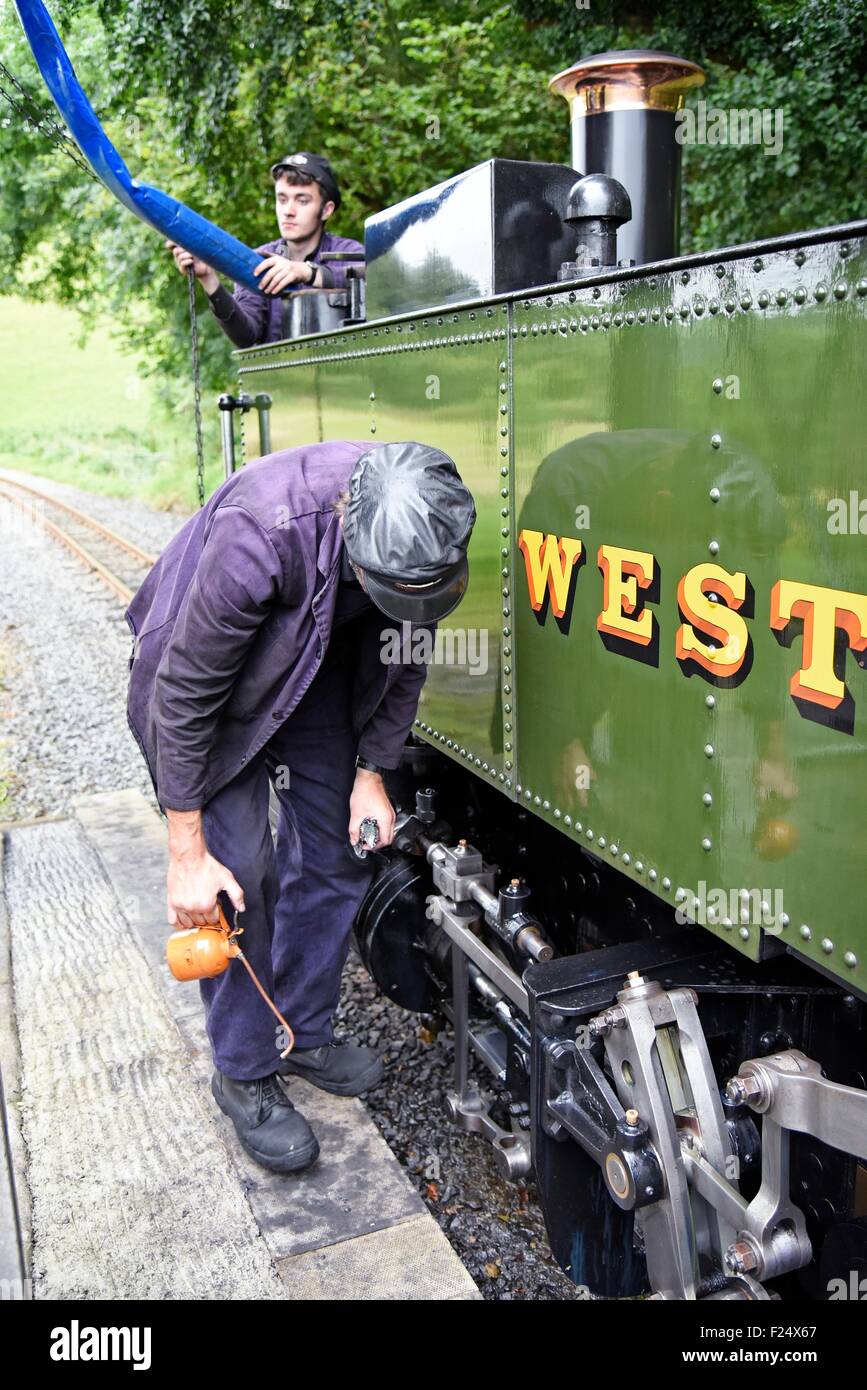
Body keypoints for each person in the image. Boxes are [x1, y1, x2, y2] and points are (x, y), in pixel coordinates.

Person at [125, 440, 476, 1173]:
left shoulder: (423, 535)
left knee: (339, 848)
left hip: (318, 666)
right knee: (239, 872)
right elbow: (184, 696)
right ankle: (245, 1070)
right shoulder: (262, 531)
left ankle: (301, 1029)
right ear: (350, 528)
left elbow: (403, 661)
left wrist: (372, 772)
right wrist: (185, 853)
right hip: (211, 693)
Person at [167, 152, 364, 348]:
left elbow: (375, 279)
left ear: (326, 210)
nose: (288, 211)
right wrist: (208, 278)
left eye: (302, 201)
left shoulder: (348, 252)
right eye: (282, 199)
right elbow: (246, 336)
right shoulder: (258, 260)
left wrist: (306, 272)